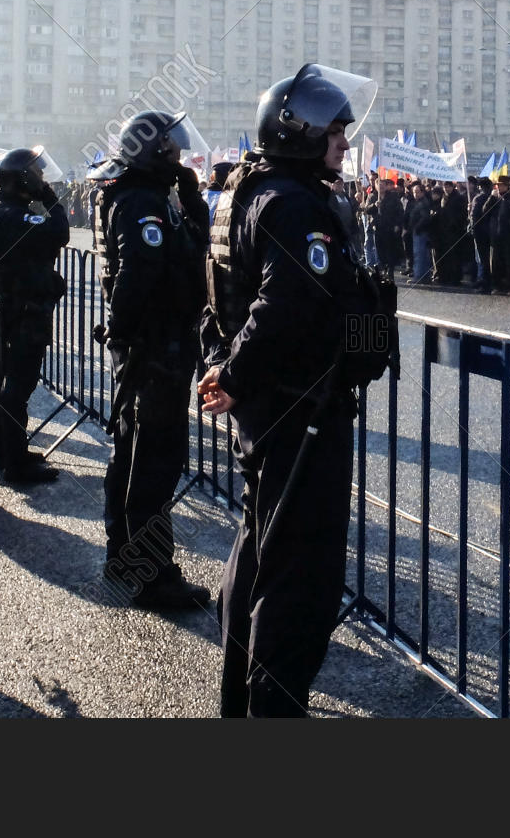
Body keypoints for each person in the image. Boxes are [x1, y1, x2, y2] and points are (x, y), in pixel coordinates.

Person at [198, 62, 392, 717]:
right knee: (300, 582)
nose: (344, 141)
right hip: (301, 410)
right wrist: (234, 372)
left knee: (259, 553)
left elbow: (220, 303)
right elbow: (285, 305)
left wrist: (225, 368)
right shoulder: (293, 204)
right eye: (335, 132)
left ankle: (241, 699)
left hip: (272, 408)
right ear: (298, 132)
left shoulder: (245, 193)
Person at [92, 111, 212, 609]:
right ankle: (149, 574)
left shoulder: (147, 192)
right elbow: (139, 273)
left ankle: (125, 559)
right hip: (154, 348)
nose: (180, 156)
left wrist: (190, 198)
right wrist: (126, 336)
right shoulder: (140, 199)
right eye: (171, 150)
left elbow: (194, 246)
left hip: (151, 346)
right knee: (153, 462)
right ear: (151, 152)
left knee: (133, 454)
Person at [0, 146, 70, 483]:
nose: (42, 180)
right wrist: (51, 198)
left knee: (6, 382)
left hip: (10, 307)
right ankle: (15, 462)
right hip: (23, 311)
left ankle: (9, 452)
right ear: (23, 180)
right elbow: (60, 232)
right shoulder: (13, 216)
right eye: (37, 175)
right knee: (17, 387)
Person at [469, 176, 498, 294]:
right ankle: (492, 283)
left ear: (480, 187)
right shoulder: (496, 198)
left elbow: (474, 217)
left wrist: (472, 230)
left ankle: (485, 284)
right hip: (493, 232)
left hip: (480, 233)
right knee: (491, 259)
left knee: (483, 260)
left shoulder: (478, 198)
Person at [406, 181, 436, 285]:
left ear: (422, 192)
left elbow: (425, 218)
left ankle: (419, 276)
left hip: (420, 232)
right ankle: (425, 276)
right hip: (421, 231)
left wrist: (417, 227)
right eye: (414, 192)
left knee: (419, 254)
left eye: (417, 192)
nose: (415, 194)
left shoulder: (423, 203)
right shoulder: (419, 202)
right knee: (424, 255)